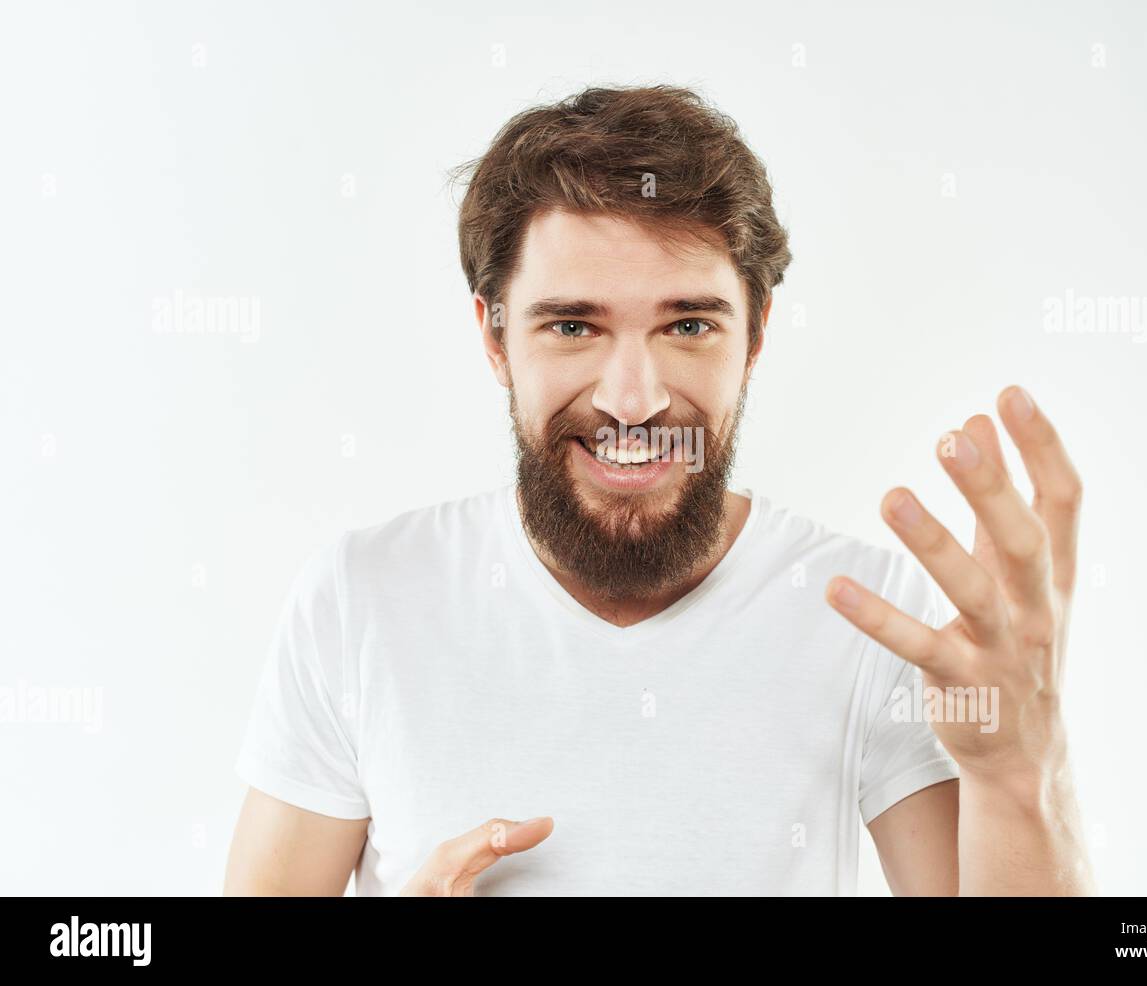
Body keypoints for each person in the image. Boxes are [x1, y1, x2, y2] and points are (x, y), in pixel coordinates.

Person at [224, 84, 1094, 896]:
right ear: (494, 340)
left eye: (687, 325)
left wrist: (1018, 773)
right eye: (572, 325)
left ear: (753, 337)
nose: (632, 401)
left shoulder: (869, 617)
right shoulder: (363, 600)